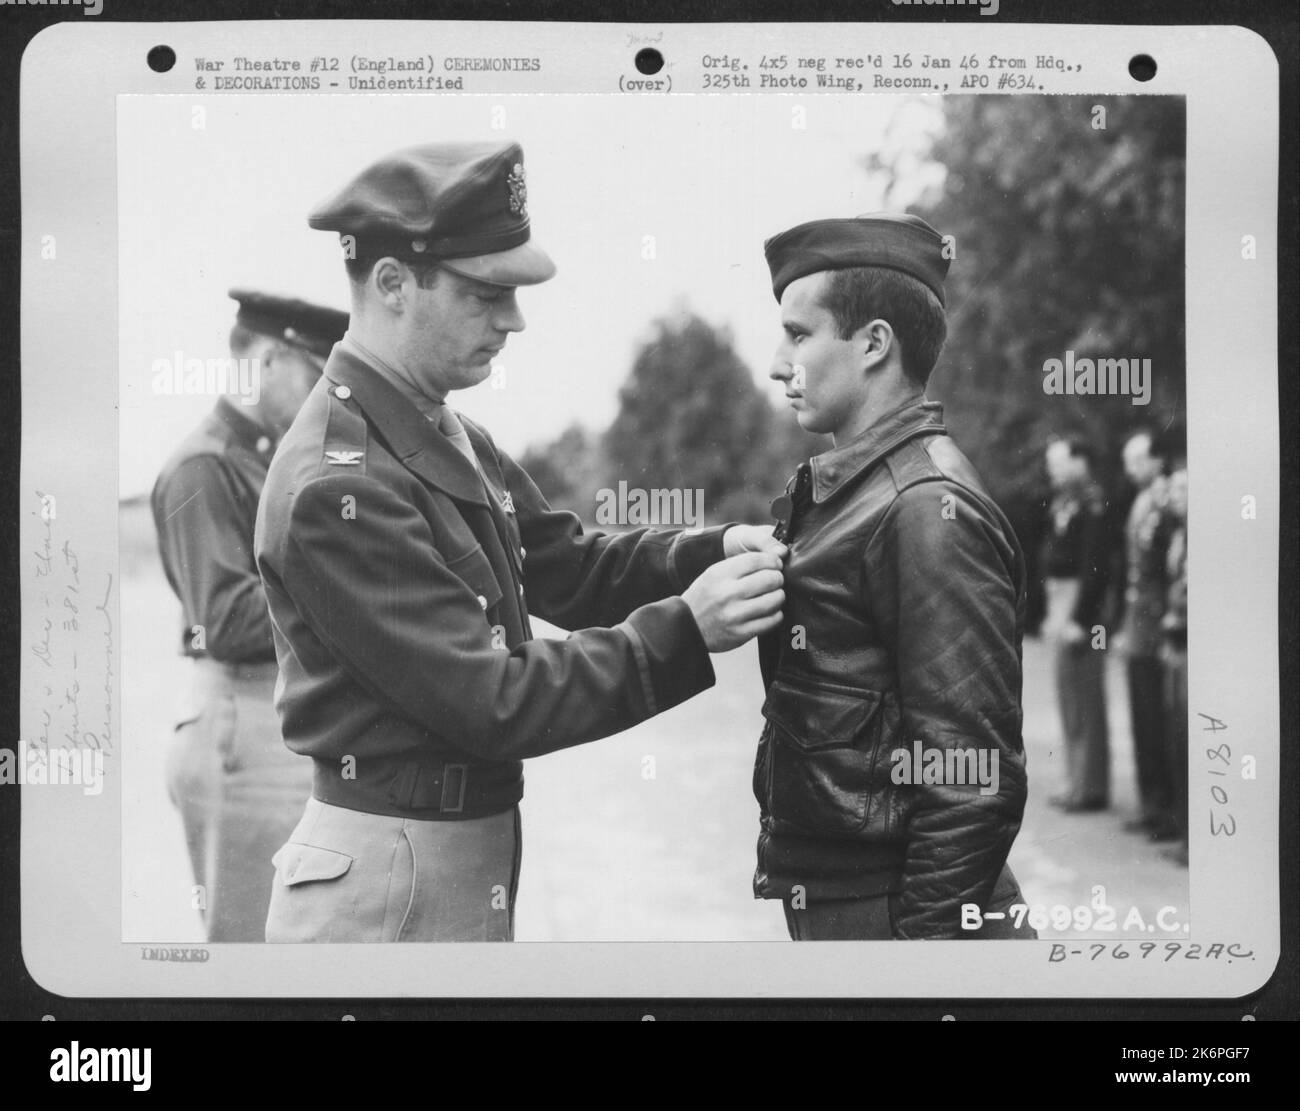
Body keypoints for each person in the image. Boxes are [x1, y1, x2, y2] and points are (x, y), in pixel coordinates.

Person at [255, 140, 786, 943]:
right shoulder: (340, 484)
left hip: (442, 857)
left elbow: (567, 566)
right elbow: (491, 699)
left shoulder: (441, 428)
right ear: (393, 284)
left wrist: (710, 554)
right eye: (485, 294)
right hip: (388, 881)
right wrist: (688, 628)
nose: (514, 318)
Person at [754, 213, 1033, 940]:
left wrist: (915, 970)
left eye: (798, 334)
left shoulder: (923, 507)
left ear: (875, 343)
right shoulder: (851, 488)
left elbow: (973, 778)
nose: (778, 364)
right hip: (848, 899)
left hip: (893, 913)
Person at [152, 289, 347, 941]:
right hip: (238, 723)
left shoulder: (268, 457)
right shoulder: (203, 466)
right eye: (317, 370)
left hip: (276, 723)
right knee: (247, 952)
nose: (329, 389)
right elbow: (227, 622)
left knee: (296, 943)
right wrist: (356, 591)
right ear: (264, 359)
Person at [1041, 436, 1113, 813]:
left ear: (1079, 463)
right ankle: (1074, 782)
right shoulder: (1066, 500)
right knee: (1068, 696)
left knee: (1086, 695)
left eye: (1058, 463)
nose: (1052, 471)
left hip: (1082, 610)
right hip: (1061, 603)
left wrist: (1080, 620)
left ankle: (1091, 788)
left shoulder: (1092, 503)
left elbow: (1095, 567)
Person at [1118, 428, 1179, 840]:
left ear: (1157, 461)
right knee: (1142, 715)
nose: (1130, 469)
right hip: (1137, 620)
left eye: (1137, 460)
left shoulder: (1170, 502)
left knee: (1160, 718)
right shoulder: (1142, 500)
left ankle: (1166, 809)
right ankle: (1150, 802)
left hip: (1158, 622)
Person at [1158, 440, 1189, 866]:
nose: (1176, 498)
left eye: (1184, 491)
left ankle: (1193, 838)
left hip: (1188, 646)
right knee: (1176, 738)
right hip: (1176, 644)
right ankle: (1185, 832)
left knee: (1188, 739)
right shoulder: (1180, 532)